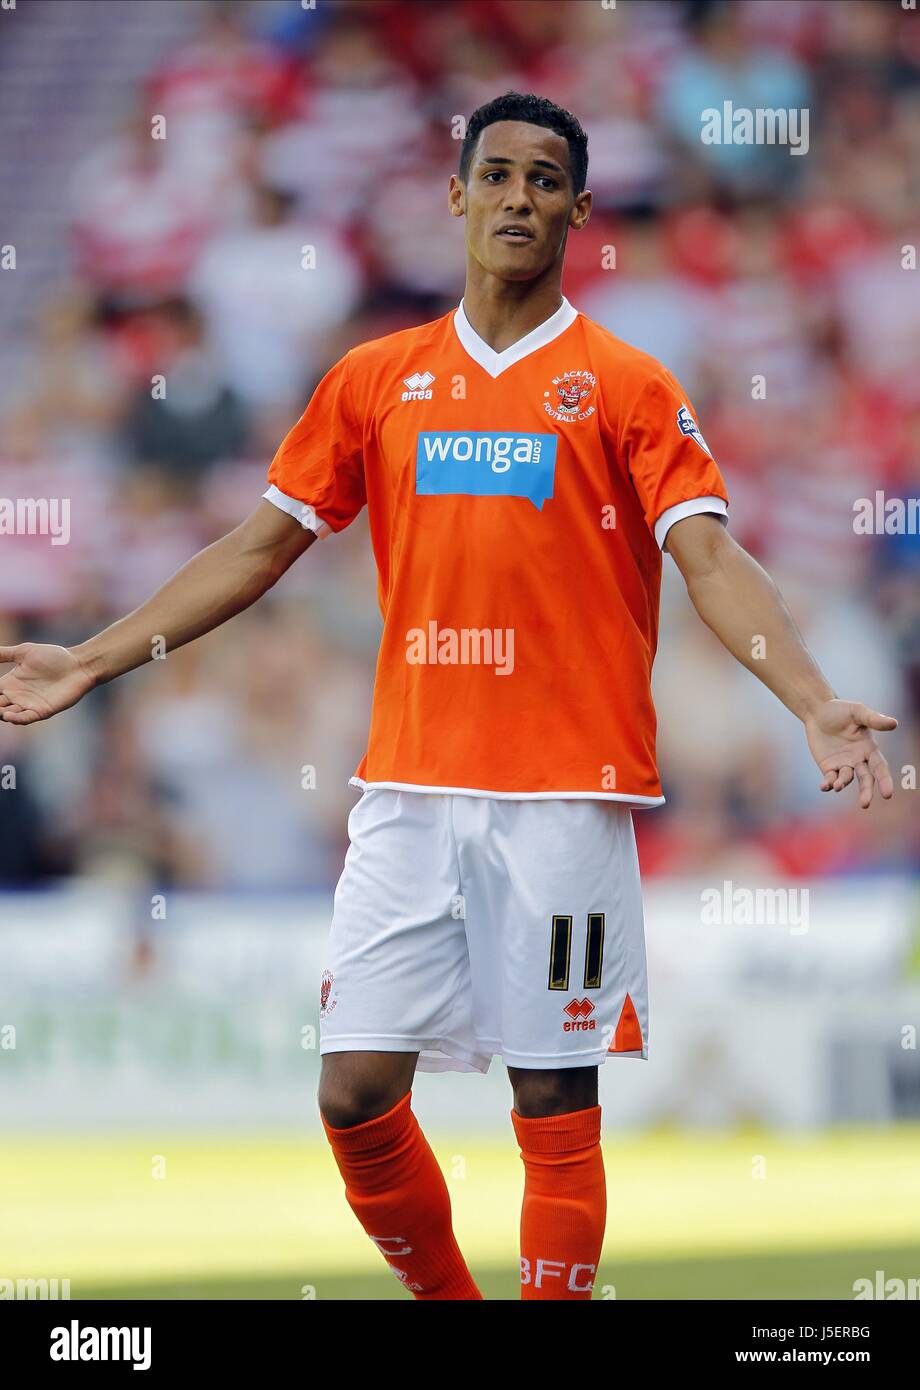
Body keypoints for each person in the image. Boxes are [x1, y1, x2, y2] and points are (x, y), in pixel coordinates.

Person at [0, 93, 897, 1302]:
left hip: (565, 798)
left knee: (551, 1100)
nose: (518, 196)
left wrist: (808, 697)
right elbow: (258, 548)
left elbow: (711, 558)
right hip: (407, 793)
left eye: (543, 180)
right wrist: (93, 658)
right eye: (497, 174)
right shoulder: (376, 381)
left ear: (579, 209)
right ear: (457, 195)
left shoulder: (623, 385)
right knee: (352, 1090)